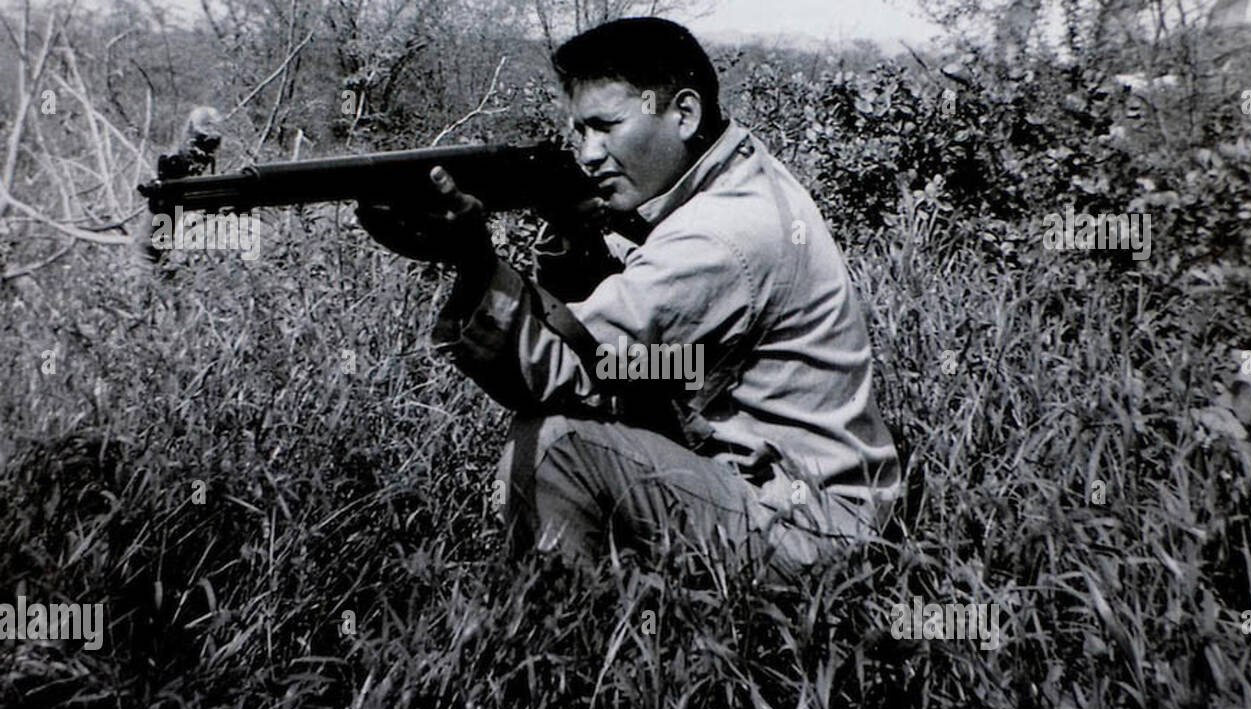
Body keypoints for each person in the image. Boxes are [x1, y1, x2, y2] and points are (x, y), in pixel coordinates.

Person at [357, 17, 903, 578]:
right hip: (824, 500)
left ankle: (562, 643)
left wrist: (475, 262)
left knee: (555, 443)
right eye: (578, 132)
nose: (588, 154)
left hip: (811, 530)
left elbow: (559, 374)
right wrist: (573, 234)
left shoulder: (719, 236)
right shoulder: (739, 173)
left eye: (606, 126)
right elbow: (640, 357)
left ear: (684, 114)